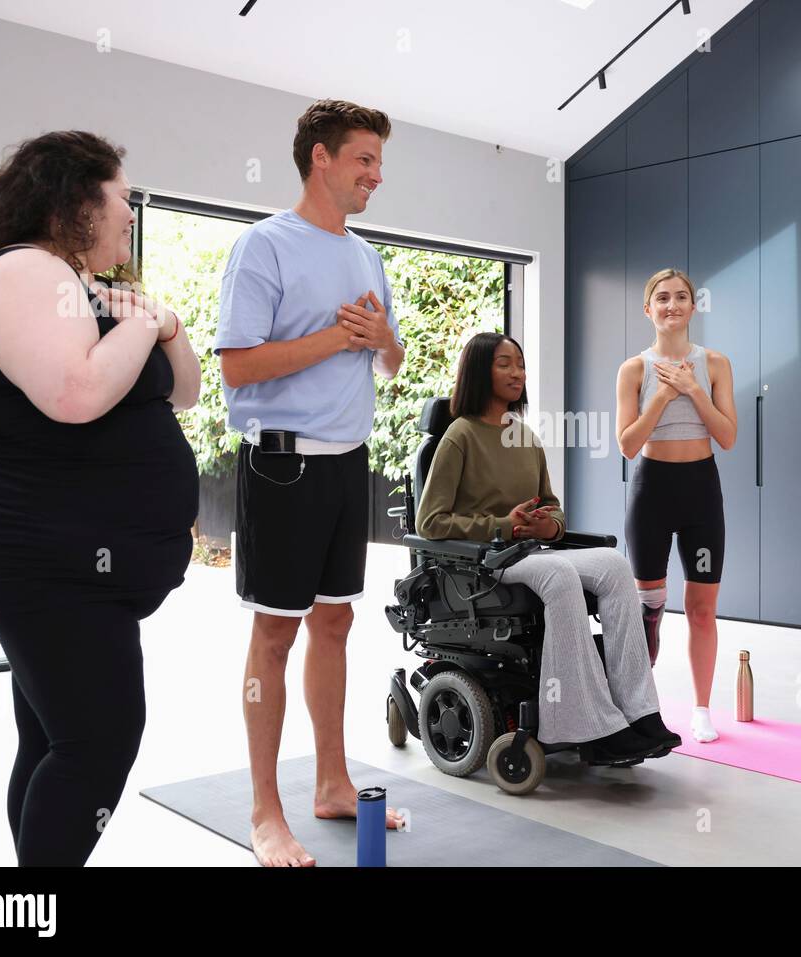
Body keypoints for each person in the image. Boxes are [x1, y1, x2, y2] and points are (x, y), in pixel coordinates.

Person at [0, 131, 201, 866]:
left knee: (57, 738)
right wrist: (146, 320)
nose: (132, 215)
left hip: (70, 560)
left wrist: (162, 321)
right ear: (75, 200)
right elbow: (75, 395)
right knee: (97, 740)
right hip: (35, 554)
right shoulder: (25, 272)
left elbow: (189, 390)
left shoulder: (86, 286)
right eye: (122, 199)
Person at [214, 99, 405, 867]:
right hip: (282, 464)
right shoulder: (264, 246)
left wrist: (382, 338)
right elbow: (236, 365)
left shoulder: (368, 257)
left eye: (379, 162)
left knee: (335, 623)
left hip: (346, 462)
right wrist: (335, 335)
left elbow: (387, 362)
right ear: (320, 158)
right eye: (364, 159)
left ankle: (332, 781)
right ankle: (265, 809)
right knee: (275, 632)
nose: (376, 175)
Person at [416, 332, 681, 762]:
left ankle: (639, 712)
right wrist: (506, 526)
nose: (517, 372)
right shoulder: (458, 436)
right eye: (505, 363)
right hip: (484, 564)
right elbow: (431, 522)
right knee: (558, 575)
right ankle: (586, 727)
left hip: (530, 554)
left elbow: (553, 508)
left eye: (520, 364)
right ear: (479, 371)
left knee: (613, 565)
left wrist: (547, 524)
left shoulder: (525, 437)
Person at [615, 268, 736, 743]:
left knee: (703, 607)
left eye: (681, 297)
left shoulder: (716, 364)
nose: (672, 305)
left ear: (693, 306)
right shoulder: (634, 369)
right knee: (650, 607)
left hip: (701, 488)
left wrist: (693, 390)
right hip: (652, 490)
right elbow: (627, 444)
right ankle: (642, 709)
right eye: (661, 298)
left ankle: (702, 709)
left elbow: (726, 436)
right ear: (649, 309)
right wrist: (664, 394)